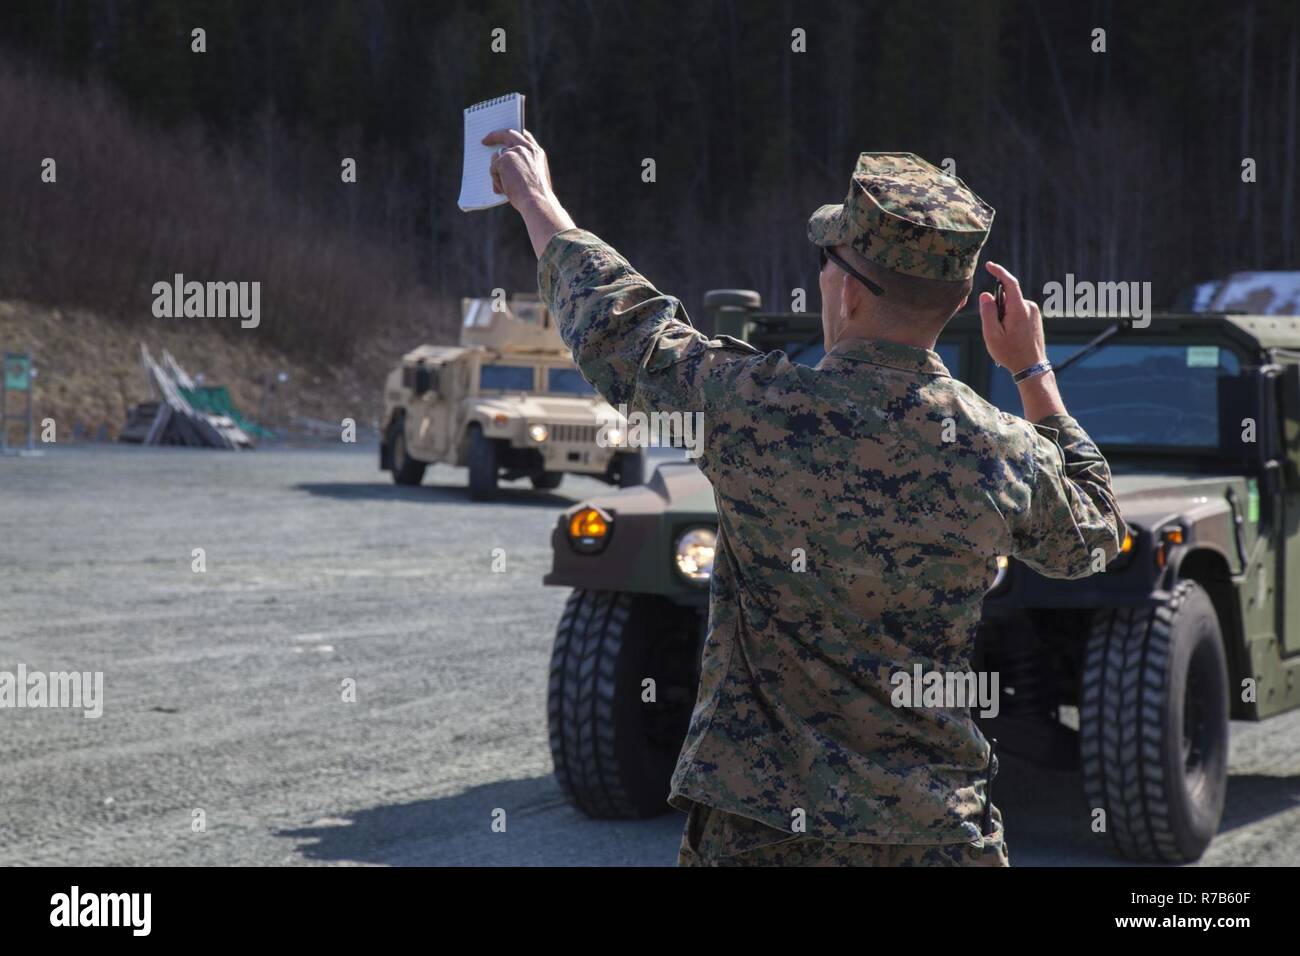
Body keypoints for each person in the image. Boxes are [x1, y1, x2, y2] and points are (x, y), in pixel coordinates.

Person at [486, 129, 1124, 866]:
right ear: (953, 306)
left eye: (828, 262)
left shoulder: (755, 410)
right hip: (935, 833)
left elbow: (624, 331)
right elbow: (1094, 532)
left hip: (762, 834)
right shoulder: (999, 450)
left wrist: (538, 202)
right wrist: (1033, 370)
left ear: (848, 289)